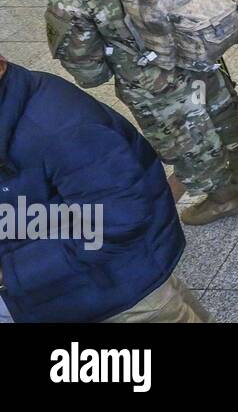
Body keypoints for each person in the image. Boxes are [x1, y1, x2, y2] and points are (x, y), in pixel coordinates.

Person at [42, 0, 238, 226]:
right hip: (201, 59)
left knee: (187, 138)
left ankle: (224, 198)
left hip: (155, 89)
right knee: (223, 111)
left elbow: (90, 73)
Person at [0, 54, 205, 323]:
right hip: (59, 291)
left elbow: (117, 221)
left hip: (119, 297)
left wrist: (10, 271)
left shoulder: (60, 127)